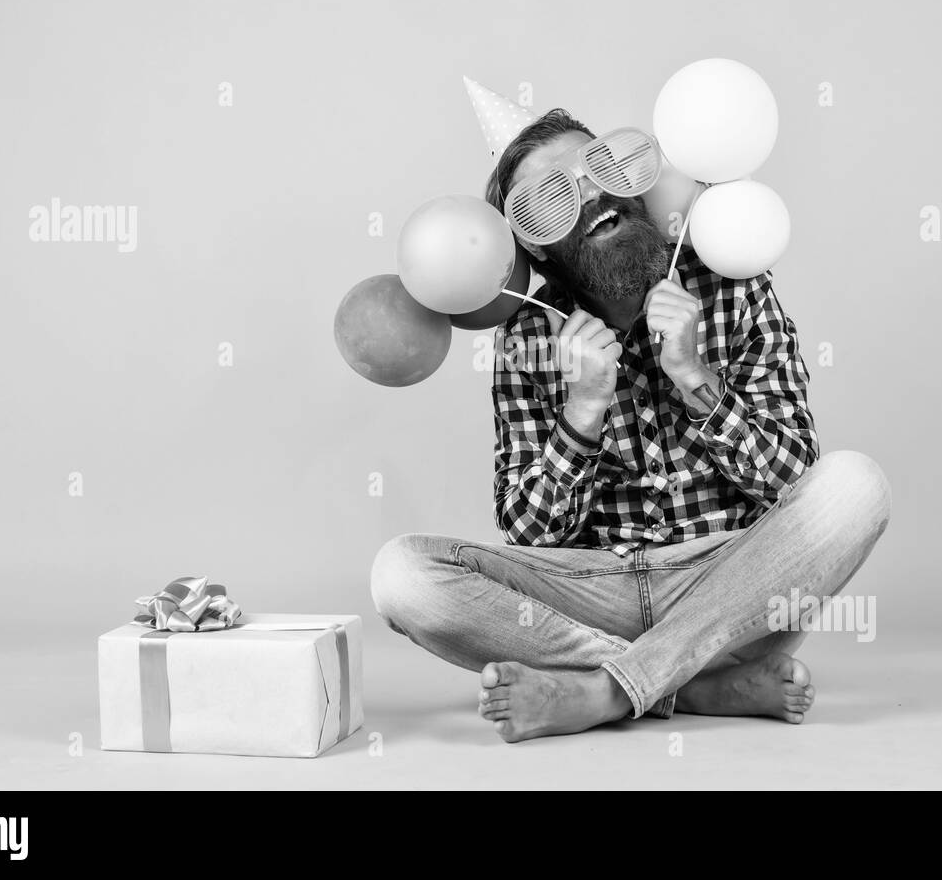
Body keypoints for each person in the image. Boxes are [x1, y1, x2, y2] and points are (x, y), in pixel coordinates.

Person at [371, 109, 890, 743]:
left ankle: (607, 690)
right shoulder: (528, 335)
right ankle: (690, 683)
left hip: (728, 579)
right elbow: (529, 531)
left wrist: (696, 379)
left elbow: (794, 484)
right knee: (401, 575)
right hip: (594, 590)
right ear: (534, 244)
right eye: (552, 197)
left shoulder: (733, 284)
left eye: (600, 167)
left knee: (856, 485)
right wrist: (582, 412)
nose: (589, 193)